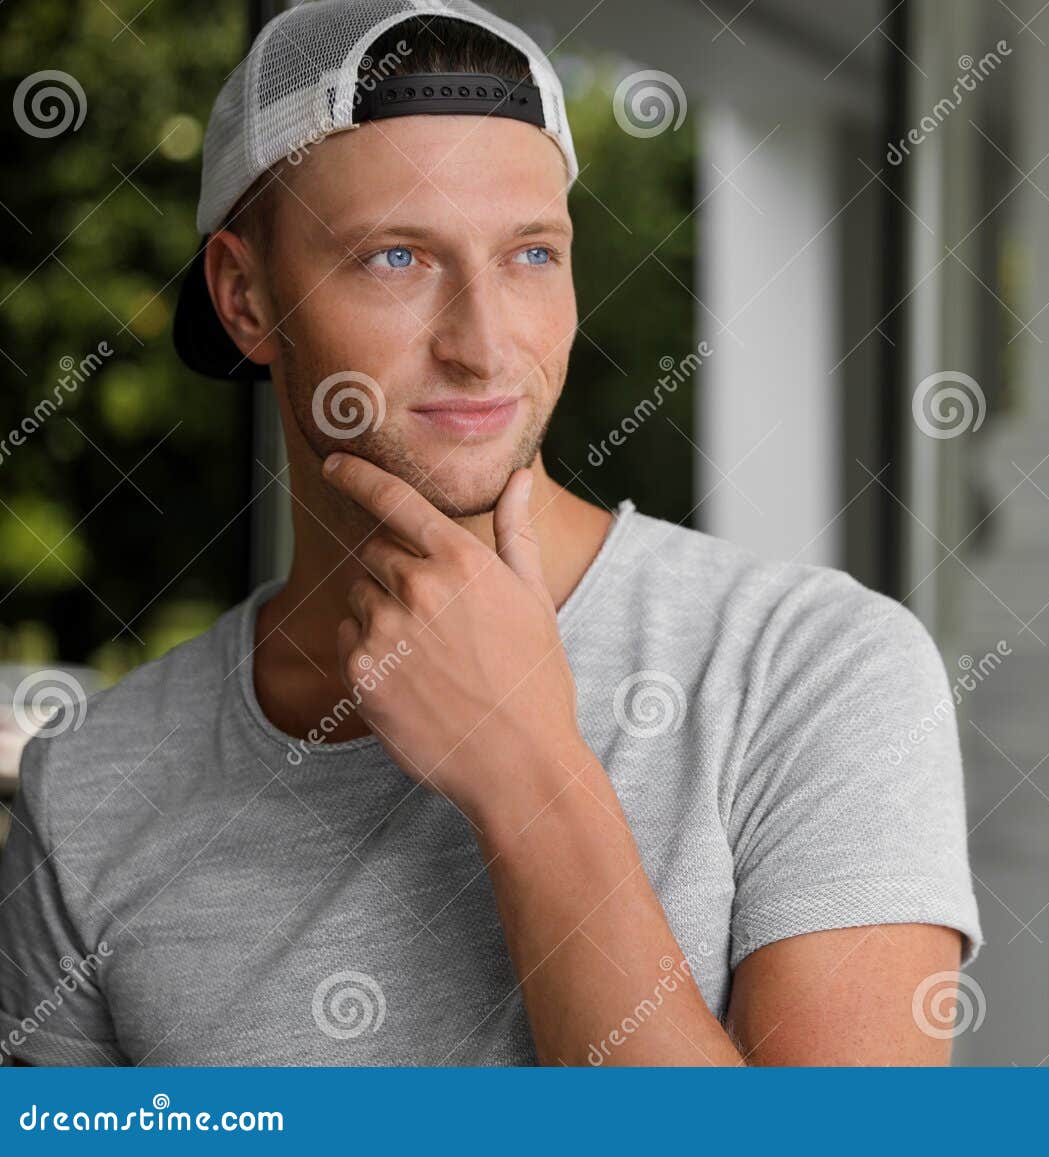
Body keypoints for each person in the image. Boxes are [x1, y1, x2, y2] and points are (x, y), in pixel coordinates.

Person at [0, 0, 981, 1066]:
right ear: (243, 298)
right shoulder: (94, 783)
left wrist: (526, 773)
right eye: (395, 259)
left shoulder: (813, 668)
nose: (482, 344)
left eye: (529, 255)